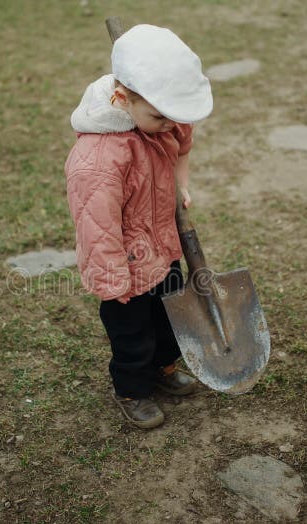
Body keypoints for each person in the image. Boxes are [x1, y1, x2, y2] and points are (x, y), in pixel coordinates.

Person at [64, 24, 213, 428]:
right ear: (121, 98)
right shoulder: (98, 158)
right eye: (160, 116)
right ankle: (132, 388)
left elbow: (183, 145)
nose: (171, 123)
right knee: (133, 335)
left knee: (169, 315)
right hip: (123, 264)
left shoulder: (165, 116)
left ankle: (164, 368)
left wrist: (181, 183)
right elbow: (96, 226)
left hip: (163, 248)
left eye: (174, 116)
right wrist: (113, 280)